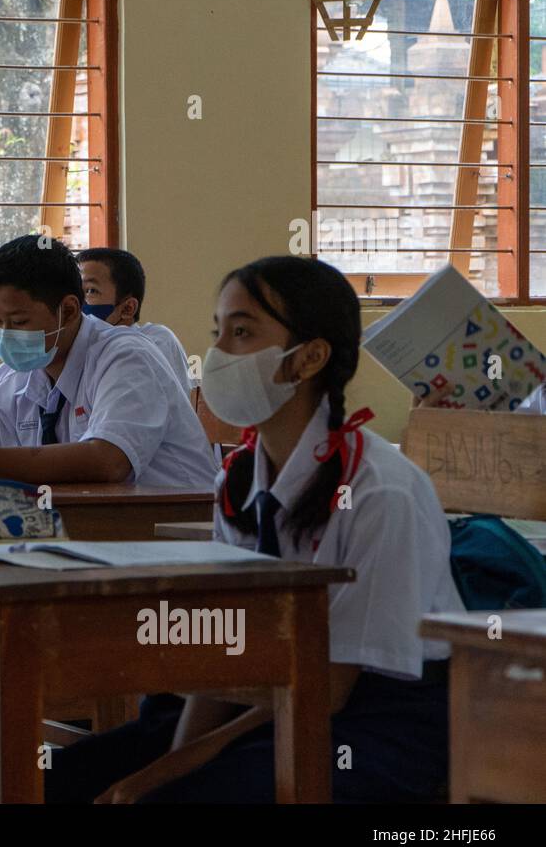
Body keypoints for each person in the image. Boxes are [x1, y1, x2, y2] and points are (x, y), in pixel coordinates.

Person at [46, 256, 463, 803]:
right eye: (218, 332)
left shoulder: (380, 490)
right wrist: (171, 760)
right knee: (60, 784)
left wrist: (171, 773)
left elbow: (330, 691)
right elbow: (228, 649)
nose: (220, 353)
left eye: (242, 332)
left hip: (371, 720)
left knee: (177, 797)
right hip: (264, 696)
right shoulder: (239, 478)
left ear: (309, 357)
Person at [0, 234, 216, 487]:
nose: (6, 334)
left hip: (178, 518)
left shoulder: (127, 357)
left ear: (68, 311)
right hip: (96, 519)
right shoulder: (14, 378)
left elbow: (107, 462)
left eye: (19, 321)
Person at [78, 247, 193, 397]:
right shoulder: (78, 346)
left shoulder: (156, 342)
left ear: (127, 308)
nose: (76, 302)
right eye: (75, 290)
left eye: (91, 291)